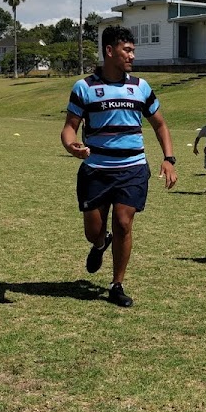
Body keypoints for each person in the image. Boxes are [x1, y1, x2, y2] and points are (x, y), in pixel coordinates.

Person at [61, 25, 177, 308]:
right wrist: (71, 145)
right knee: (93, 231)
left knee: (124, 223)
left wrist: (168, 158)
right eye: (127, 50)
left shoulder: (140, 87)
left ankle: (117, 284)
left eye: (133, 51)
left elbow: (159, 124)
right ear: (109, 51)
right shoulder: (85, 88)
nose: (132, 56)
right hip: (96, 169)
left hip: (133, 168)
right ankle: (101, 244)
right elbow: (69, 129)